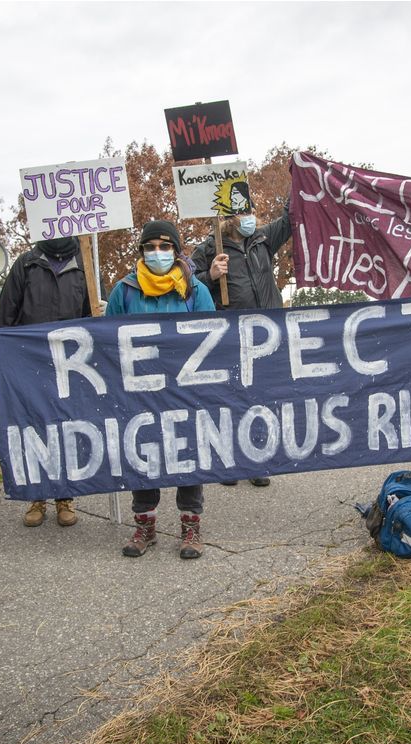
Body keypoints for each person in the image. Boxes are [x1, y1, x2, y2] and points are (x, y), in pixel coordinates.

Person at [105, 220, 216, 559]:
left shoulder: (195, 291)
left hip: (185, 391)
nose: (157, 253)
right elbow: (107, 340)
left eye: (165, 247)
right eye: (150, 247)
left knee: (189, 454)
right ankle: (145, 526)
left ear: (177, 251)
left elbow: (212, 337)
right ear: (141, 252)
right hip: (140, 392)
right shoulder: (124, 291)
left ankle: (191, 526)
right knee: (143, 454)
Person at [191, 187, 291, 488]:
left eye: (250, 211)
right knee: (232, 396)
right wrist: (209, 275)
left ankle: (257, 459)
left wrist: (300, 178)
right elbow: (187, 284)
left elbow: (290, 220)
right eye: (241, 212)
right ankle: (230, 461)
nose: (248, 217)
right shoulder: (209, 248)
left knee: (261, 396)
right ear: (227, 217)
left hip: (267, 332)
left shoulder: (262, 238)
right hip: (230, 335)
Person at [0, 236, 91, 528]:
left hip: (71, 364)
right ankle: (37, 496)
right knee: (36, 428)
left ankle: (65, 497)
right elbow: (7, 316)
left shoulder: (84, 265)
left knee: (67, 427)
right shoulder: (26, 264)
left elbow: (91, 318)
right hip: (31, 363)